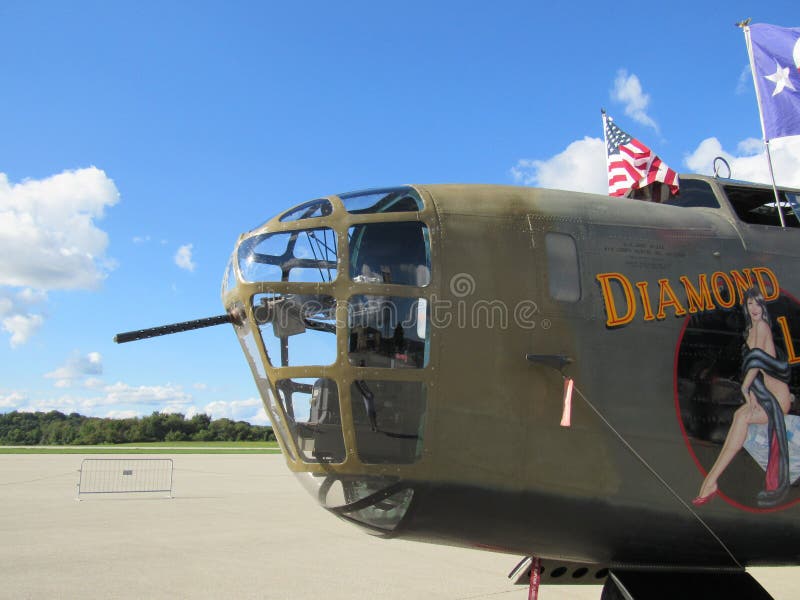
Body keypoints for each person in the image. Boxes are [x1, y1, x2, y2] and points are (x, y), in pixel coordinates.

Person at [693, 287, 793, 507]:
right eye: (750, 304)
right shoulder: (750, 329)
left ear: (763, 307)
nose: (754, 308)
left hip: (776, 397)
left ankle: (710, 481)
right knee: (740, 417)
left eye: (758, 304)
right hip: (765, 394)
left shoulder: (762, 326)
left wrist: (746, 390)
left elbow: (755, 363)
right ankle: (711, 481)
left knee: (741, 417)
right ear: (746, 307)